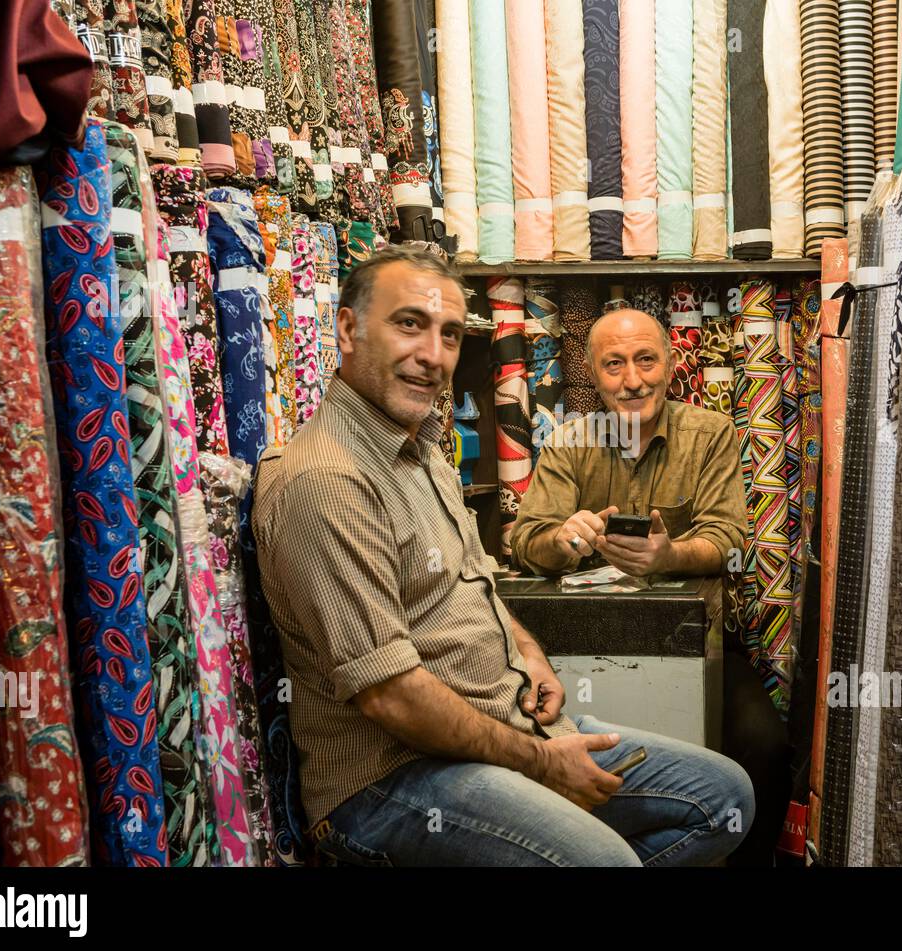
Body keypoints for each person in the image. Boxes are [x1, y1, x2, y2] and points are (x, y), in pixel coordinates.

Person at [252, 246, 753, 866]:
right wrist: (544, 763)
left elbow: (475, 580)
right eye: (409, 323)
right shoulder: (326, 481)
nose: (433, 355)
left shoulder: (423, 450)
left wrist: (528, 649)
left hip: (498, 722)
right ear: (348, 330)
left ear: (670, 365)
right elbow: (391, 696)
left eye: (451, 334)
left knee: (722, 796)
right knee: (606, 862)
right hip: (394, 779)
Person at [510, 307, 793, 867]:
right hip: (585, 654)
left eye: (645, 360)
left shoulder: (709, 434)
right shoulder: (570, 441)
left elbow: (734, 544)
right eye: (614, 365)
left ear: (669, 364)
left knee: (766, 746)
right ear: (591, 372)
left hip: (701, 646)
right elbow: (526, 539)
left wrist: (671, 554)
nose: (632, 380)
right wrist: (563, 539)